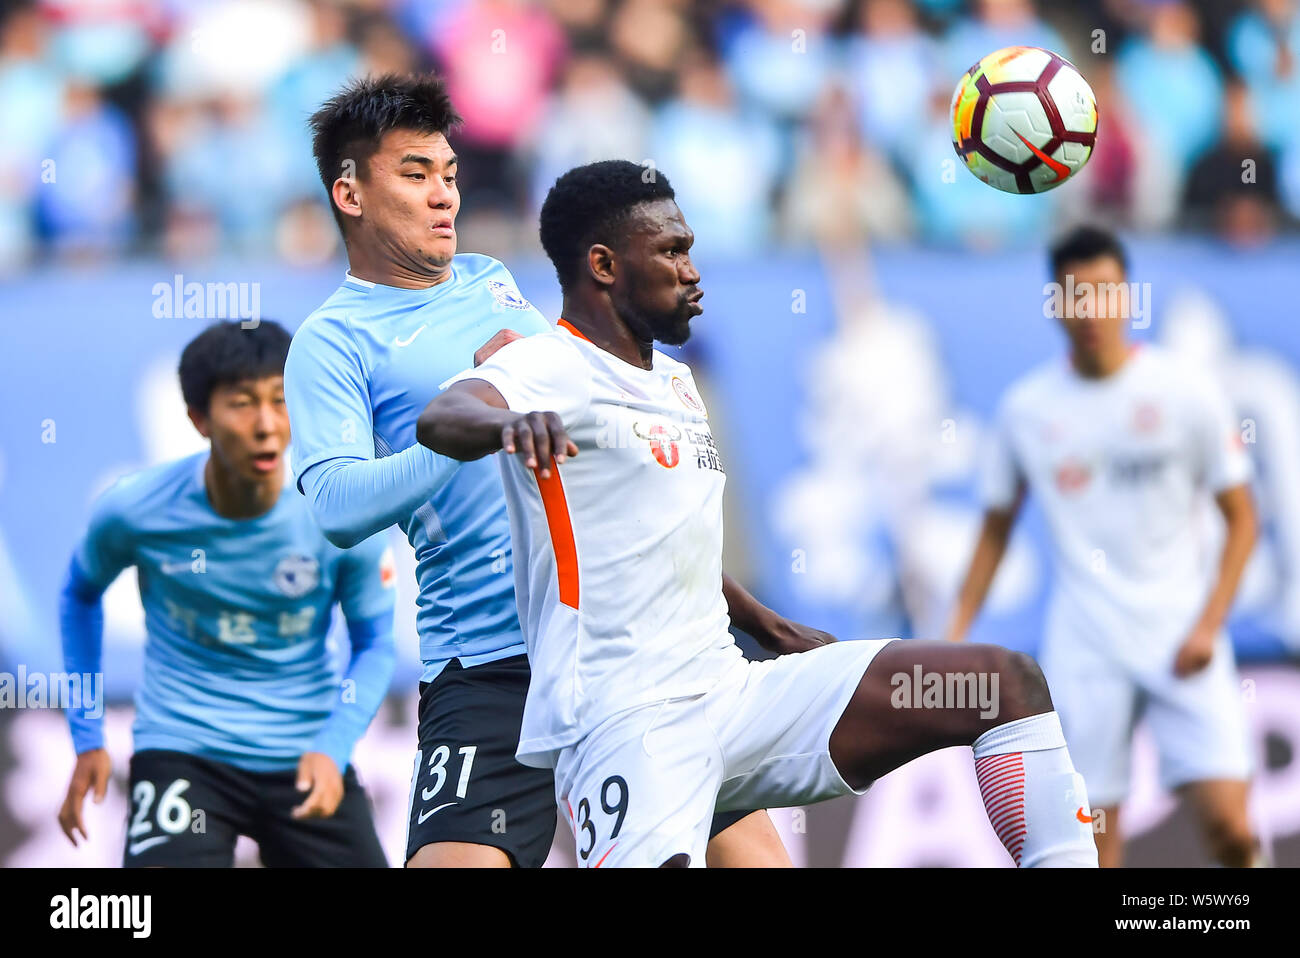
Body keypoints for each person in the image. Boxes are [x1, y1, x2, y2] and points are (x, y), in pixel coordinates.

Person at [417, 159, 1100, 868]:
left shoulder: (676, 382)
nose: (693, 271)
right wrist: (507, 425)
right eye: (673, 252)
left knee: (999, 683)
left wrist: (765, 621)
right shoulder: (553, 364)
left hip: (733, 689)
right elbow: (446, 413)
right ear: (604, 265)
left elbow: (667, 543)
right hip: (623, 723)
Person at [284, 74, 799, 868]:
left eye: (450, 175)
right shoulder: (333, 340)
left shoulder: (493, 281)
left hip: (627, 644)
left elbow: (610, 470)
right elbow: (338, 506)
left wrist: (744, 608)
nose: (443, 196)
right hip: (492, 664)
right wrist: (471, 435)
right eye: (415, 175)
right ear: (350, 194)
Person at [945, 225, 1260, 867]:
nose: (1091, 312)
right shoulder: (1027, 411)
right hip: (1086, 644)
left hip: (1184, 638)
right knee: (1089, 844)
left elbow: (1242, 518)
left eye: (1105, 294)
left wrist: (1208, 623)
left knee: (1230, 827)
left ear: (1128, 298)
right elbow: (994, 532)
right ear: (1054, 304)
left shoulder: (1186, 391)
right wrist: (950, 636)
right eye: (1075, 296)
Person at [58, 320, 395, 867]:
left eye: (281, 401)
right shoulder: (136, 510)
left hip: (305, 754)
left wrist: (334, 747)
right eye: (243, 404)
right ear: (198, 419)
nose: (267, 425)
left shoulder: (342, 512)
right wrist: (87, 734)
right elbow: (79, 594)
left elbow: (376, 642)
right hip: (184, 751)